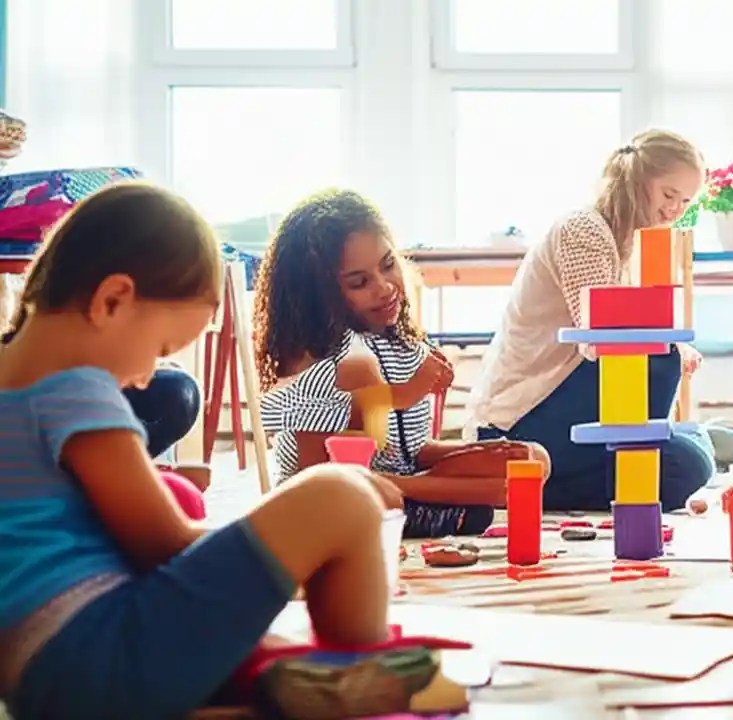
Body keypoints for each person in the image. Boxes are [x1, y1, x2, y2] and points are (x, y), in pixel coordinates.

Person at [0, 183, 420, 719]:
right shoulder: (75, 390)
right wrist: (293, 551)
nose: (147, 376)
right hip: (103, 659)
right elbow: (163, 543)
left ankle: (278, 682)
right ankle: (354, 677)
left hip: (40, 682)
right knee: (340, 495)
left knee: (186, 503)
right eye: (161, 349)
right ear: (112, 301)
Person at [254, 189, 548, 537]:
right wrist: (410, 391)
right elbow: (317, 475)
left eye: (388, 265)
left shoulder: (393, 342)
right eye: (359, 282)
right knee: (494, 494)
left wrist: (480, 451)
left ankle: (404, 494)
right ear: (318, 296)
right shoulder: (330, 362)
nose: (384, 287)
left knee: (532, 460)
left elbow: (408, 451)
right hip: (332, 496)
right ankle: (405, 499)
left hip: (389, 480)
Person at [466, 129, 731, 511]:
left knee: (681, 463)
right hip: (517, 421)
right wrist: (667, 344)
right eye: (668, 194)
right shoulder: (584, 229)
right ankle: (689, 439)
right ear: (637, 181)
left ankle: (686, 441)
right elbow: (601, 341)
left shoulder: (628, 243)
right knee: (667, 396)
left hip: (560, 406)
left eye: (686, 202)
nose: (675, 210)